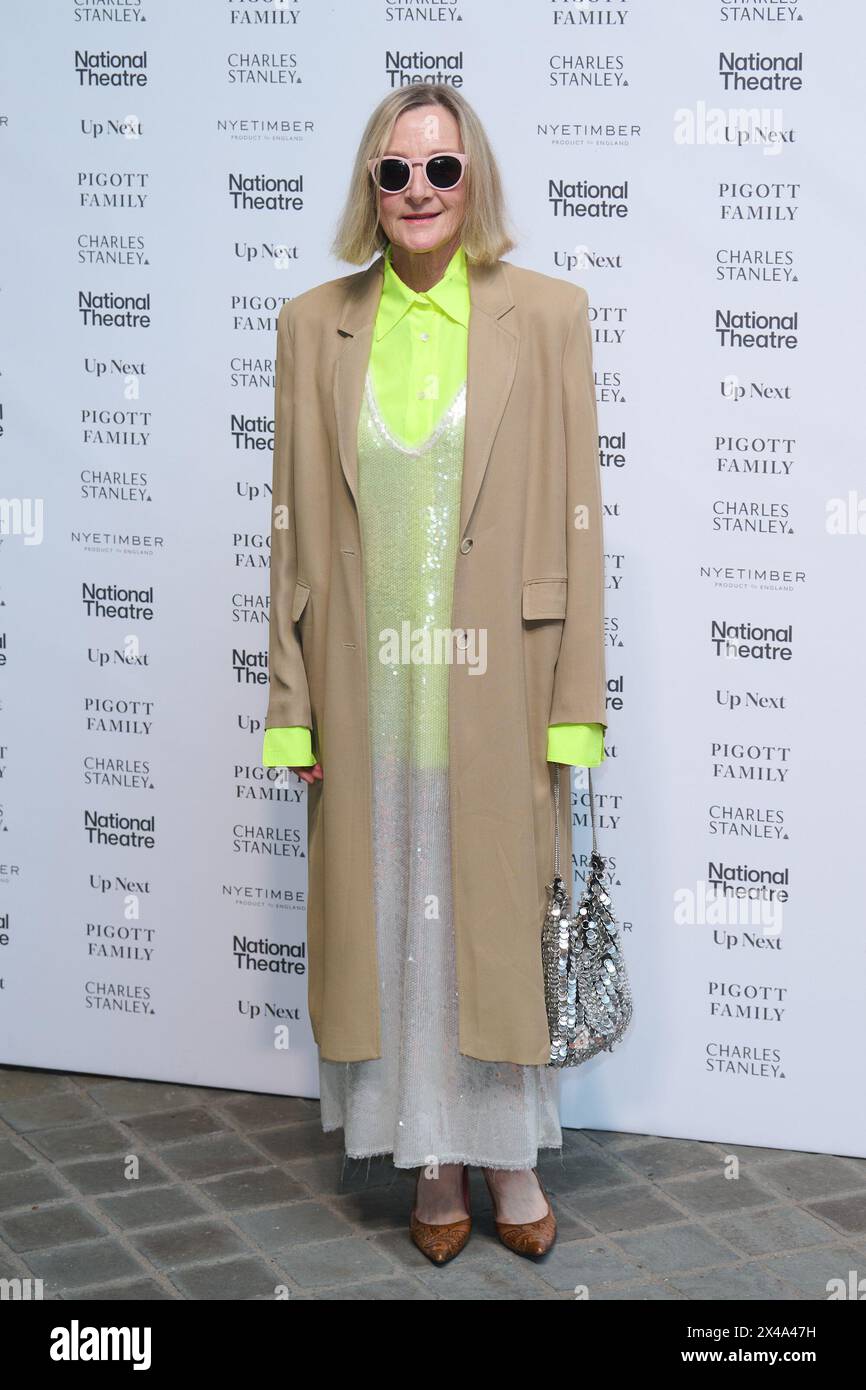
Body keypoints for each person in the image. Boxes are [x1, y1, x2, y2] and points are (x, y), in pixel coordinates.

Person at [262, 83, 607, 1264]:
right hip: (368, 692)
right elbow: (292, 538)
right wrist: (290, 711)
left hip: (497, 690)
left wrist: (573, 714)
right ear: (370, 188)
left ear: (474, 181)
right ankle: (431, 1162)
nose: (418, 192)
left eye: (441, 170)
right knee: (392, 923)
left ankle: (507, 1159)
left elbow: (579, 535)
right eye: (394, 173)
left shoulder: (548, 316)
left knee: (489, 925)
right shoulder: (313, 325)